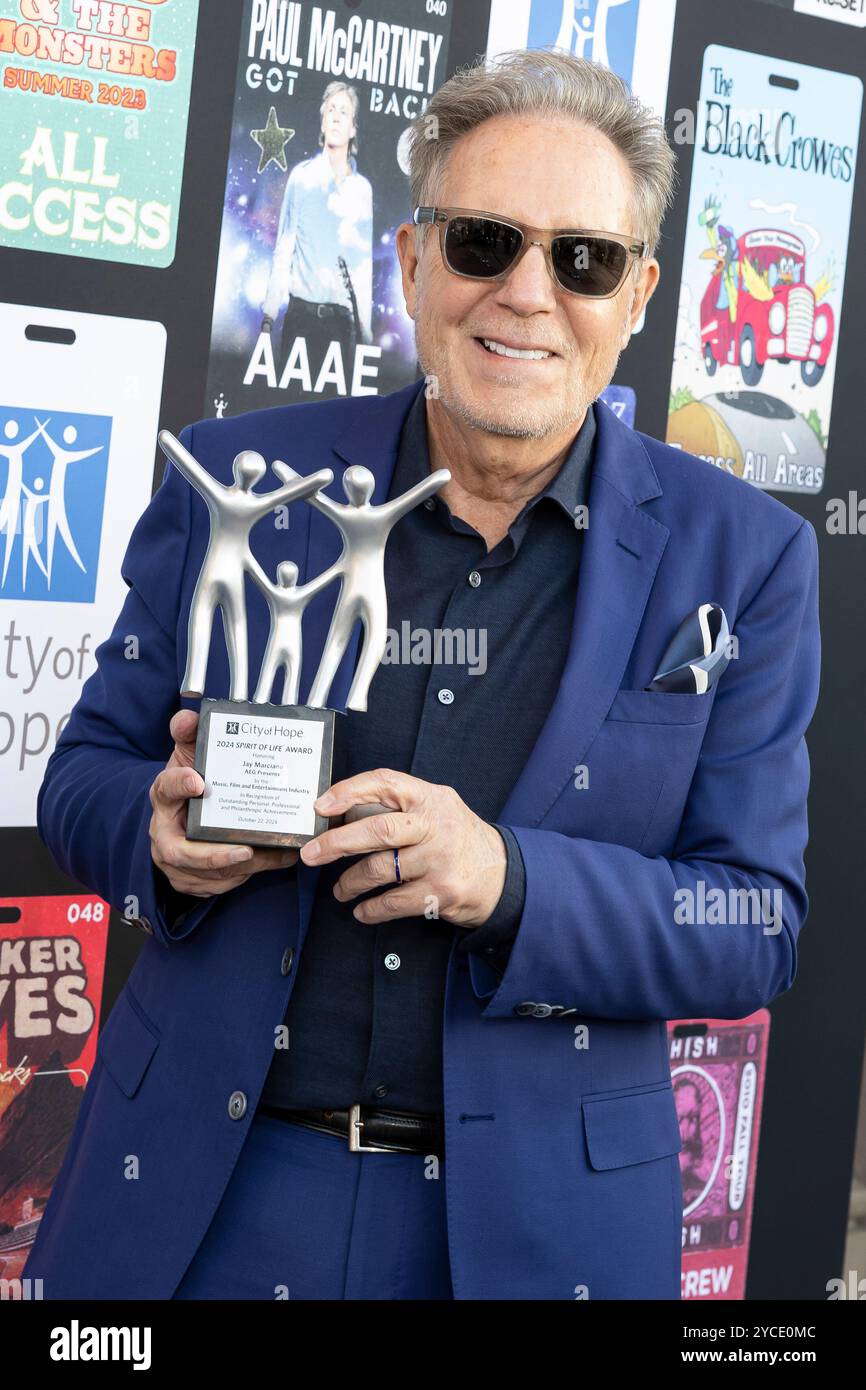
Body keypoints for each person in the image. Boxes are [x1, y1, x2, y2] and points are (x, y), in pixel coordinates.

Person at [25, 48, 820, 1301]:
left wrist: (509, 880)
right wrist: (157, 836)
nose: (525, 293)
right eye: (483, 242)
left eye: (582, 259)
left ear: (637, 293)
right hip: (200, 1203)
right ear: (409, 262)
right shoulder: (235, 479)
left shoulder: (748, 557)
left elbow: (752, 921)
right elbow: (82, 780)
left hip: (539, 1238)